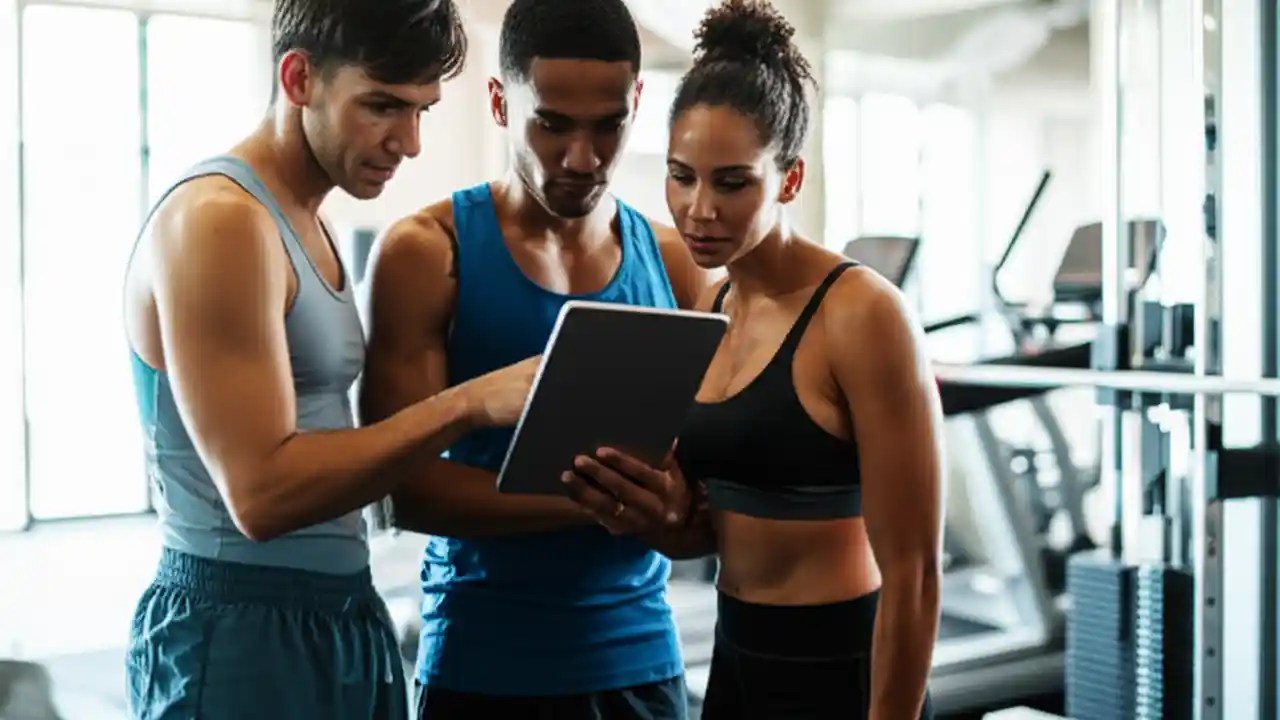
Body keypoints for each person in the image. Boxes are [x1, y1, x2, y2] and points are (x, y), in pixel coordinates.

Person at [121, 1, 540, 718]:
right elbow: (262, 496)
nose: (408, 142)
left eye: (421, 111)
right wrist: (467, 403)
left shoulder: (308, 219)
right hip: (239, 625)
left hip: (341, 609)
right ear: (298, 79)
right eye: (382, 106)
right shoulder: (220, 220)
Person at [561, 1, 945, 718]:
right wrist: (648, 515)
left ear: (789, 180)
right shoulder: (709, 308)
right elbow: (711, 530)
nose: (699, 208)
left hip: (843, 671)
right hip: (736, 663)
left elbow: (915, 575)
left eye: (732, 182)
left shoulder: (862, 314)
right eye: (682, 176)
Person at [357, 0, 712, 717]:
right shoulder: (427, 253)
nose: (583, 158)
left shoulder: (676, 262)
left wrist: (675, 509)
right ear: (500, 101)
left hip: (643, 659)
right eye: (552, 124)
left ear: (637, 102)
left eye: (608, 125)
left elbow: (696, 494)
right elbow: (404, 492)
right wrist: (606, 504)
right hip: (483, 664)